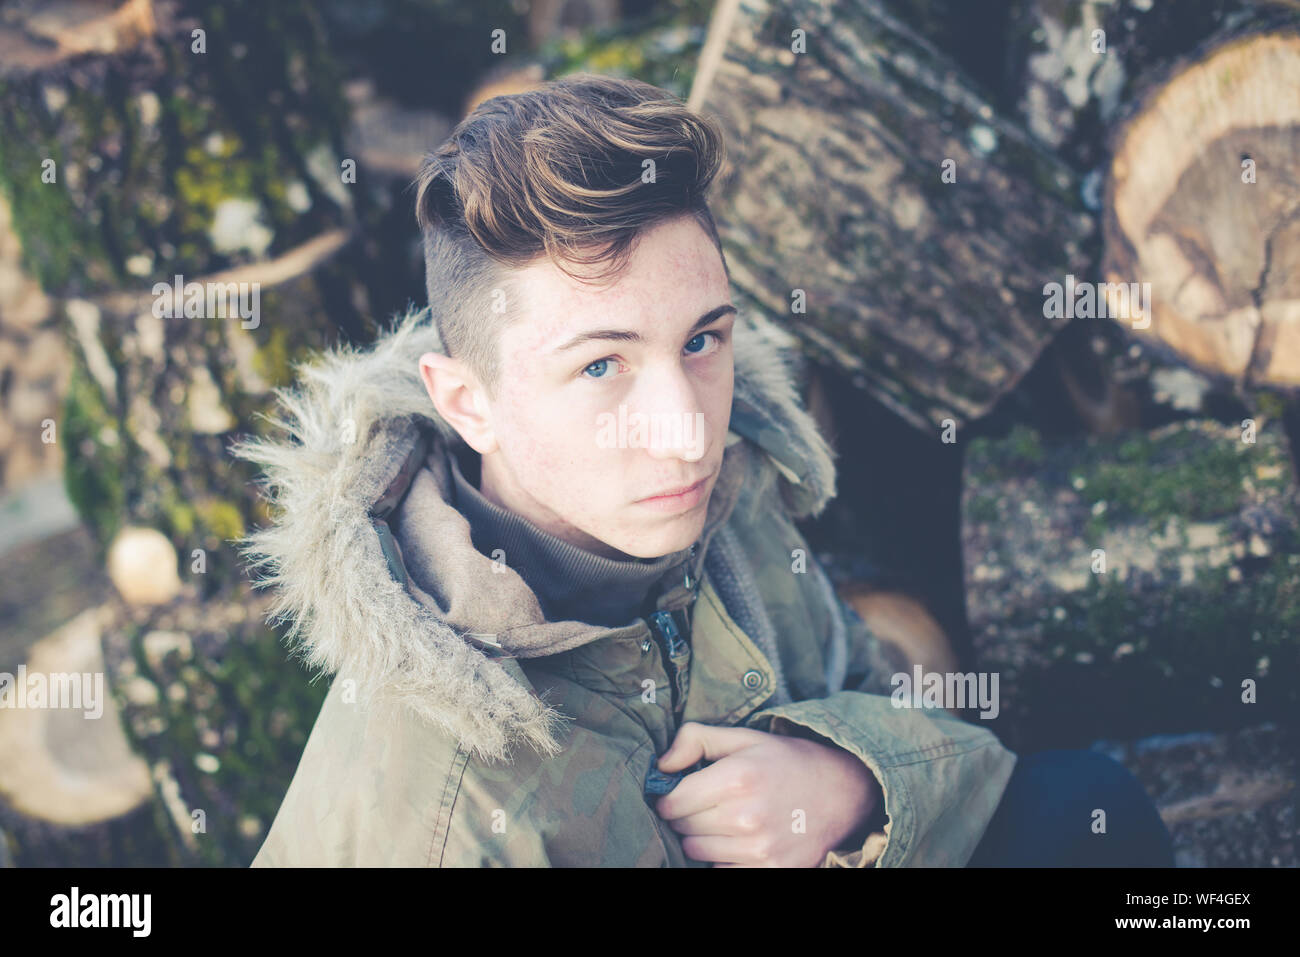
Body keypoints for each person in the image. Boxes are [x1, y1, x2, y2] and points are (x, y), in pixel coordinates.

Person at [239, 73, 1170, 867]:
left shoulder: (717, 498)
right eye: (600, 365)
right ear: (466, 401)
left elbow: (902, 707)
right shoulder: (443, 808)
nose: (687, 431)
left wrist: (844, 780)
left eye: (701, 340)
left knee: (1085, 808)